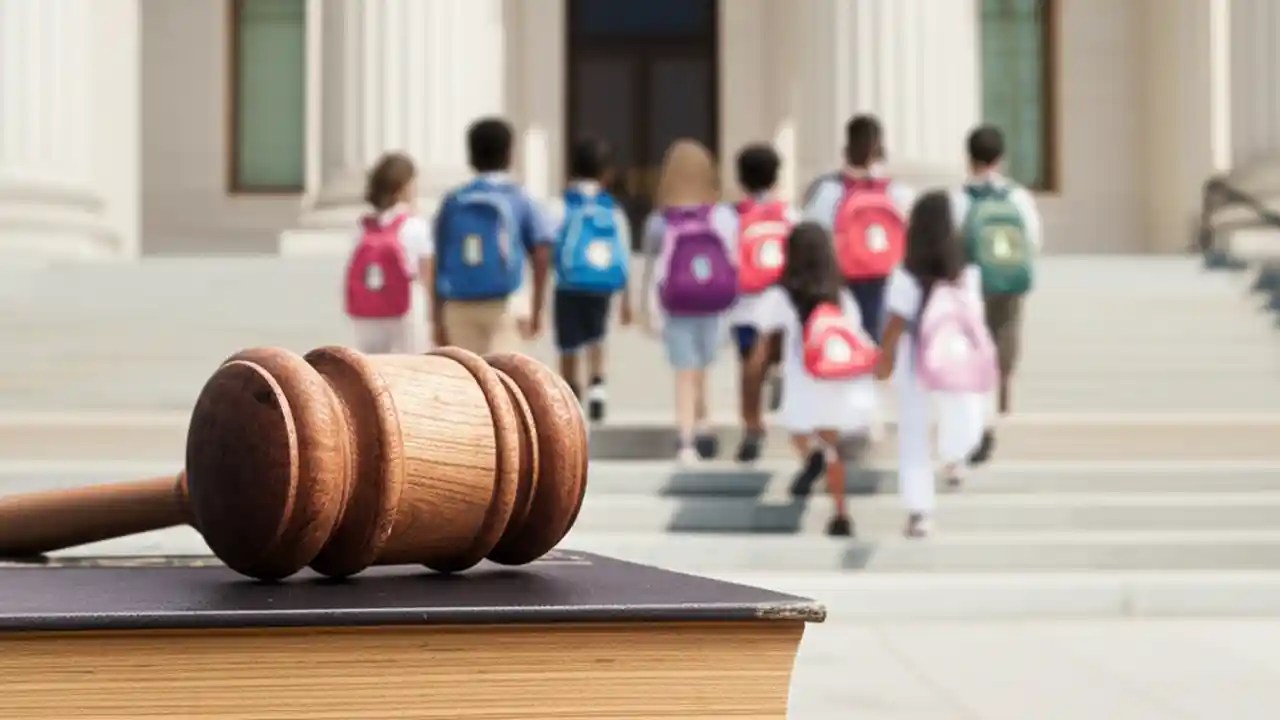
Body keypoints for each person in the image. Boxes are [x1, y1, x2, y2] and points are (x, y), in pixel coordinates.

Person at [746, 222, 878, 537]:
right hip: (835, 379)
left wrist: (752, 400)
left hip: (803, 382)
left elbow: (760, 350)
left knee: (798, 432)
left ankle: (810, 456)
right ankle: (840, 511)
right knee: (834, 450)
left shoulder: (782, 295)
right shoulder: (841, 296)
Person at [877, 191, 992, 538]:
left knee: (914, 436)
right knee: (958, 414)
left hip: (915, 360)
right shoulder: (967, 275)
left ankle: (919, 513)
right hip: (955, 357)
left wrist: (884, 360)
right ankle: (955, 460)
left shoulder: (906, 274)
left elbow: (895, 324)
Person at [639, 139, 739, 464]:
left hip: (676, 304)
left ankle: (686, 439)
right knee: (702, 369)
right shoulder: (722, 216)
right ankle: (704, 424)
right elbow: (733, 258)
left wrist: (647, 310)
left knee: (685, 372)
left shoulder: (660, 221)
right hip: (713, 303)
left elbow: (652, 269)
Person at [950, 125, 1043, 465]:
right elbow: (1033, 240)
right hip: (1008, 283)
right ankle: (1000, 407)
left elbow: (951, 243)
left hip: (971, 285)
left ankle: (977, 417)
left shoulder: (959, 199)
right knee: (1005, 344)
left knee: (972, 351)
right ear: (1001, 158)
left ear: (969, 158)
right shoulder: (1018, 198)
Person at [430, 117, 553, 355]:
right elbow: (541, 251)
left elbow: (439, 256)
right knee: (500, 373)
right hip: (504, 303)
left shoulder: (454, 200)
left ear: (471, 155)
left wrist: (436, 317)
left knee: (468, 374)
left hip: (458, 303)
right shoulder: (518, 197)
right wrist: (537, 308)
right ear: (509, 153)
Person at [802, 114, 915, 342]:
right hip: (886, 275)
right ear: (881, 150)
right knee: (878, 338)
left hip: (843, 277)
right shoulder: (897, 192)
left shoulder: (828, 190)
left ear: (847, 148)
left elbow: (812, 236)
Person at [548, 137, 634, 421]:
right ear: (606, 172)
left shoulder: (562, 205)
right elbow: (623, 252)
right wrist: (626, 299)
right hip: (601, 284)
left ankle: (570, 391)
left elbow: (550, 245)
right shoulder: (612, 208)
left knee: (568, 343)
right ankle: (597, 386)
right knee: (597, 336)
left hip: (568, 284)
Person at [732, 144, 796, 463]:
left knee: (749, 363)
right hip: (781, 298)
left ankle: (752, 426)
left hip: (744, 301)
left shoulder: (734, 216)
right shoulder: (788, 214)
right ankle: (778, 377)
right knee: (772, 354)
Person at [344, 152, 433, 354]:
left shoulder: (361, 226)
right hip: (405, 310)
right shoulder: (414, 225)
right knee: (409, 365)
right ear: (405, 186)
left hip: (366, 312)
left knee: (372, 365)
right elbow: (427, 274)